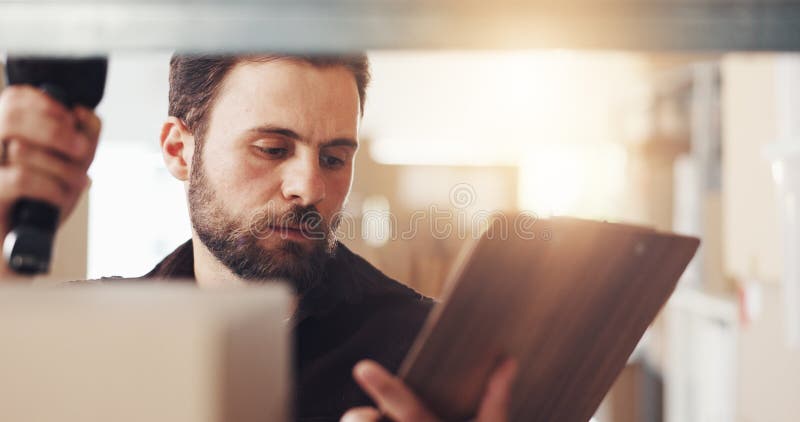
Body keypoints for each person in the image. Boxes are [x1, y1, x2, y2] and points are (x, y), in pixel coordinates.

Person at [0, 54, 517, 421]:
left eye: (334, 158)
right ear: (180, 150)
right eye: (271, 149)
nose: (309, 187)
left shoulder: (427, 355)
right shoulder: (80, 341)